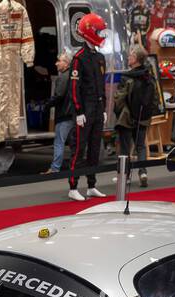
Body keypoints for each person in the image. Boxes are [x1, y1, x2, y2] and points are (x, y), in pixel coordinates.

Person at [65, 12, 107, 201]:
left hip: (98, 109)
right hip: (85, 110)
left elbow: (102, 85)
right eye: (99, 31)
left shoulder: (99, 58)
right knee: (79, 149)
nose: (102, 34)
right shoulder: (79, 58)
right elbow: (74, 87)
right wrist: (78, 111)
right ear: (90, 32)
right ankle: (73, 186)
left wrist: (104, 109)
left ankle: (91, 185)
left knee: (94, 148)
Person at [113, 44, 159, 187]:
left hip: (127, 118)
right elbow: (155, 99)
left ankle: (125, 176)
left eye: (131, 56)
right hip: (143, 118)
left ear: (136, 59)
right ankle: (143, 172)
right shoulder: (149, 77)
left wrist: (118, 112)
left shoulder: (127, 77)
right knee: (140, 146)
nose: (128, 57)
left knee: (125, 148)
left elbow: (119, 98)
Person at [44, 51, 72, 174]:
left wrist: (47, 105)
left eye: (59, 61)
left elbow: (59, 96)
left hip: (64, 114)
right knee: (72, 142)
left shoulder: (62, 77)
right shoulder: (73, 75)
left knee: (59, 142)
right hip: (72, 113)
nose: (56, 64)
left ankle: (55, 168)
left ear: (66, 64)